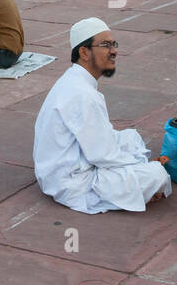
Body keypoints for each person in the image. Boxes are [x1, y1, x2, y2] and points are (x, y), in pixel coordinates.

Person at [33, 17, 170, 213]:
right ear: (84, 52)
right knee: (156, 175)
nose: (114, 51)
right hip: (72, 182)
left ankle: (137, 180)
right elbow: (103, 155)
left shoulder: (73, 80)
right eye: (105, 45)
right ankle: (139, 188)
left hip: (60, 169)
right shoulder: (83, 94)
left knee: (131, 137)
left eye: (113, 44)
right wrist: (140, 166)